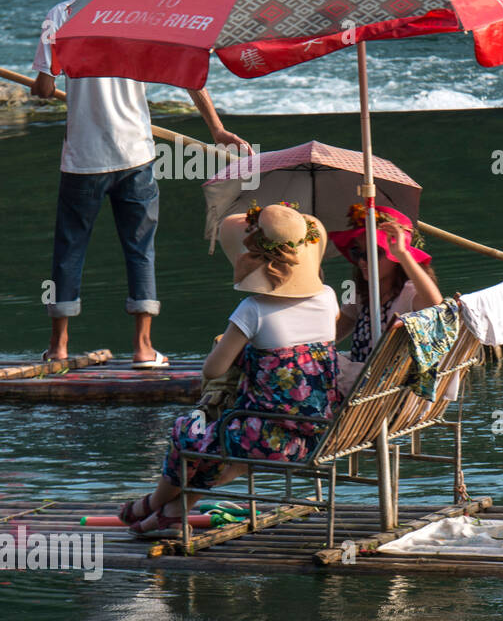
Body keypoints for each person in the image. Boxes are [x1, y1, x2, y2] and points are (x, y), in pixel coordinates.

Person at [30, 0, 250, 366]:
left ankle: (58, 347)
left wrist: (59, 90)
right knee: (139, 249)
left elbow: (40, 87)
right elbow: (186, 71)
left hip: (84, 161)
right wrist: (217, 130)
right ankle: (144, 348)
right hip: (136, 156)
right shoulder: (140, 14)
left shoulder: (60, 16)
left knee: (70, 249)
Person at [119, 204, 340, 537]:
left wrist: (233, 346)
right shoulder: (328, 297)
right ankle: (169, 514)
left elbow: (213, 369)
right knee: (216, 444)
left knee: (187, 432)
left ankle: (153, 504)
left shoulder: (252, 310)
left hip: (265, 435)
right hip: (316, 434)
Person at [328, 206, 442, 392]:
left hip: (385, 389)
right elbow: (333, 334)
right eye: (358, 253)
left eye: (374, 254)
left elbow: (435, 304)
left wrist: (403, 253)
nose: (363, 262)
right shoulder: (361, 292)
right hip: (356, 383)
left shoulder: (409, 292)